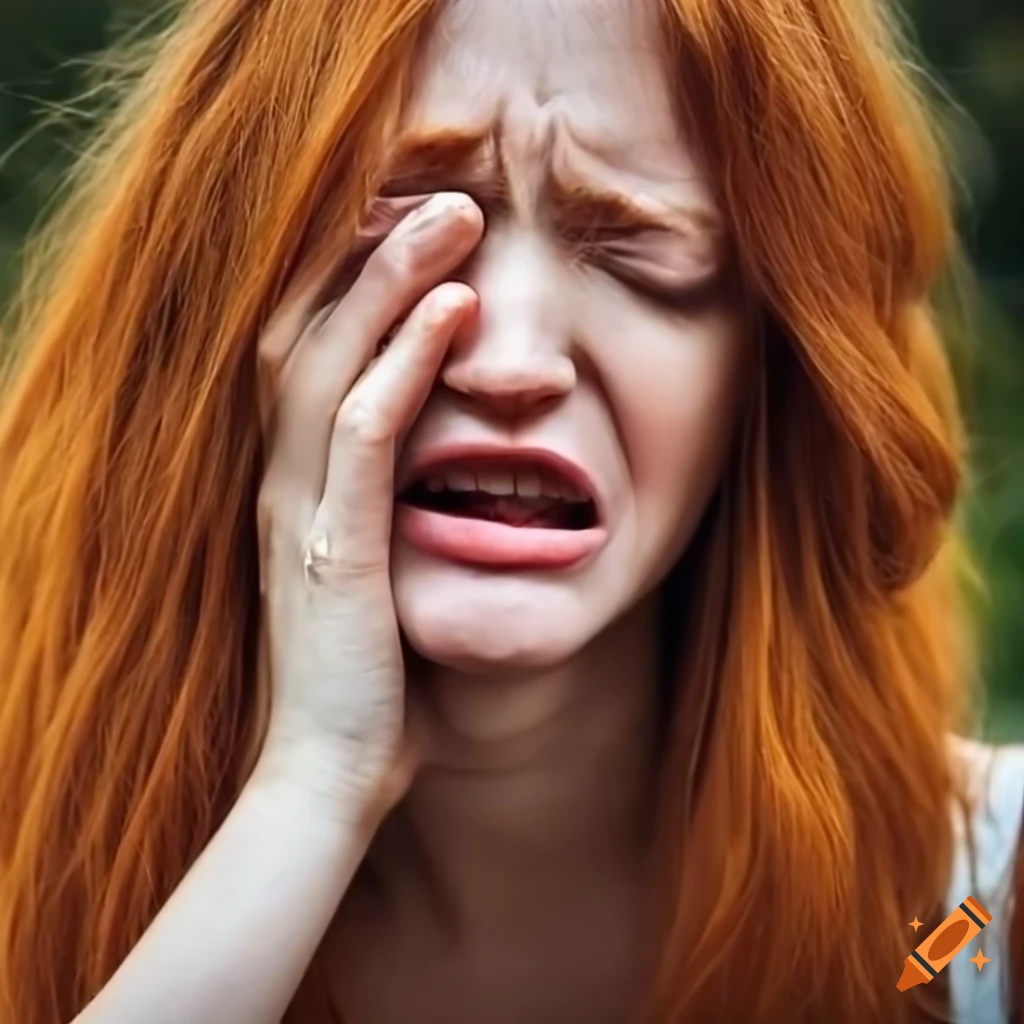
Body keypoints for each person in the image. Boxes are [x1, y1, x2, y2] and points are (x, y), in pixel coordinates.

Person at [0, 0, 1021, 1021]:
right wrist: (309, 788)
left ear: (776, 368)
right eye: (403, 224)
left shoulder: (975, 921)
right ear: (223, 313)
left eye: (637, 248)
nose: (510, 361)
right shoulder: (28, 875)